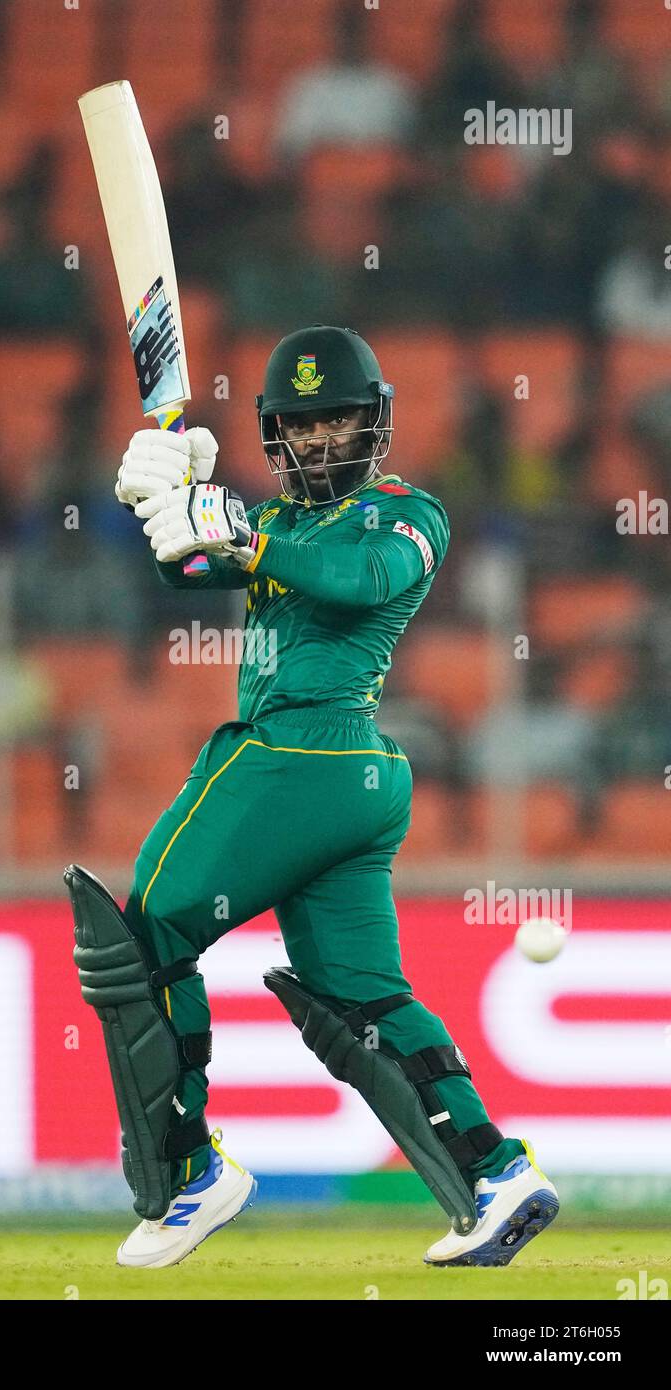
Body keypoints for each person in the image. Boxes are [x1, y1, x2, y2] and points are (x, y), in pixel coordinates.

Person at [66, 325, 559, 1269]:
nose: (323, 439)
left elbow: (354, 579)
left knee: (141, 940)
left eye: (338, 419)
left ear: (375, 423)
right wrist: (162, 499)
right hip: (347, 785)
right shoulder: (281, 526)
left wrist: (236, 531)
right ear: (275, 434)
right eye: (302, 424)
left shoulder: (409, 514)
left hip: (308, 749)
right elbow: (192, 564)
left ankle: (184, 1172)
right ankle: (493, 1175)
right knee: (358, 996)